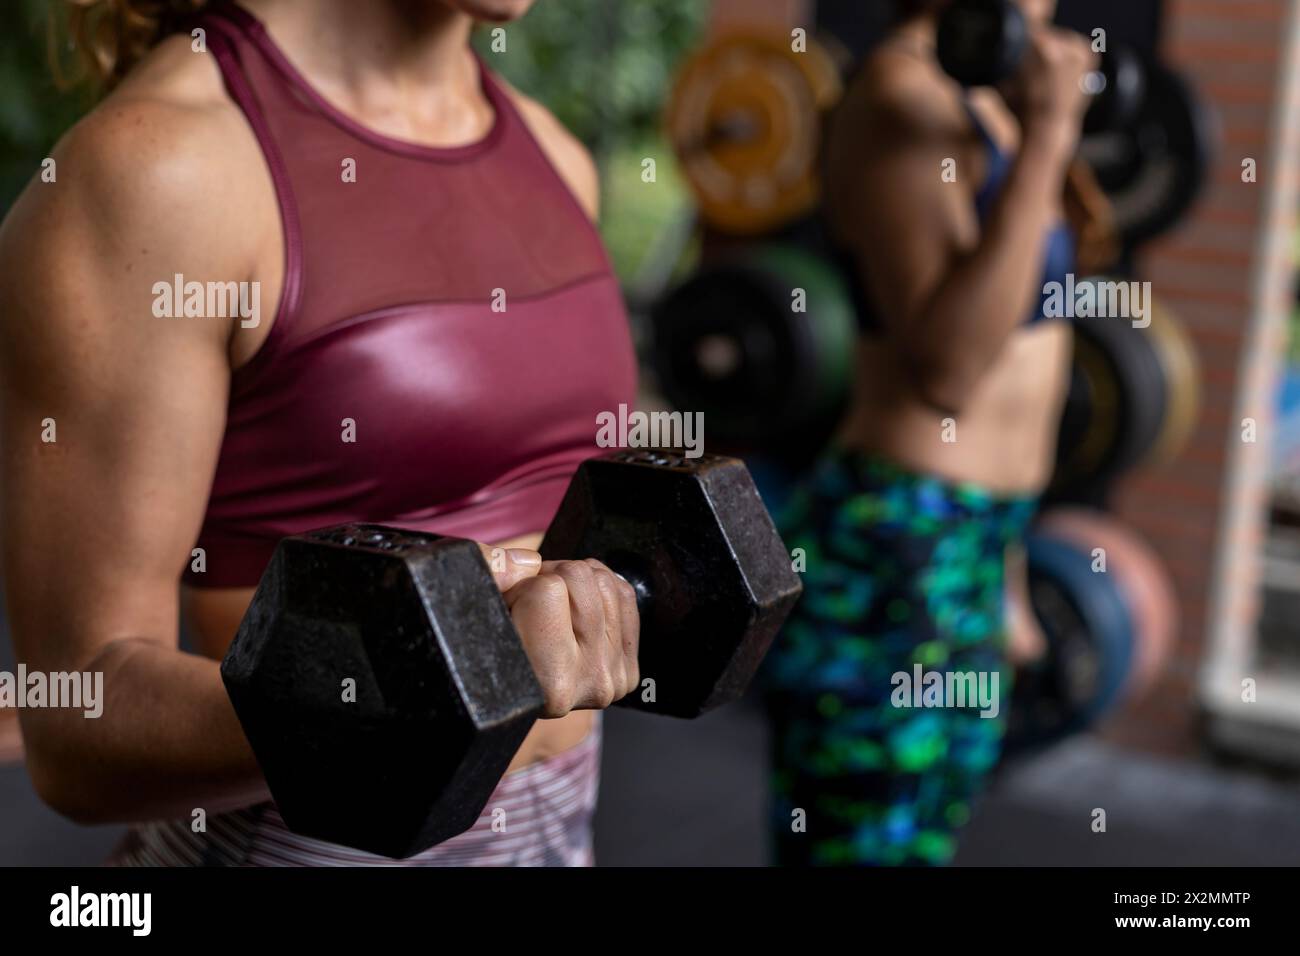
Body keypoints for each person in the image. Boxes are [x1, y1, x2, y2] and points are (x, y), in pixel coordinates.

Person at [0, 0, 643, 866]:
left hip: (557, 835)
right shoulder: (162, 168)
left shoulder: (554, 155)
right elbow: (76, 726)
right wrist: (424, 686)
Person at [762, 0, 1106, 865]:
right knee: (863, 841)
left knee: (926, 836)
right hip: (901, 544)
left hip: (978, 541)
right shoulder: (898, 94)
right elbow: (951, 367)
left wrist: (1009, 567)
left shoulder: (994, 97)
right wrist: (1052, 133)